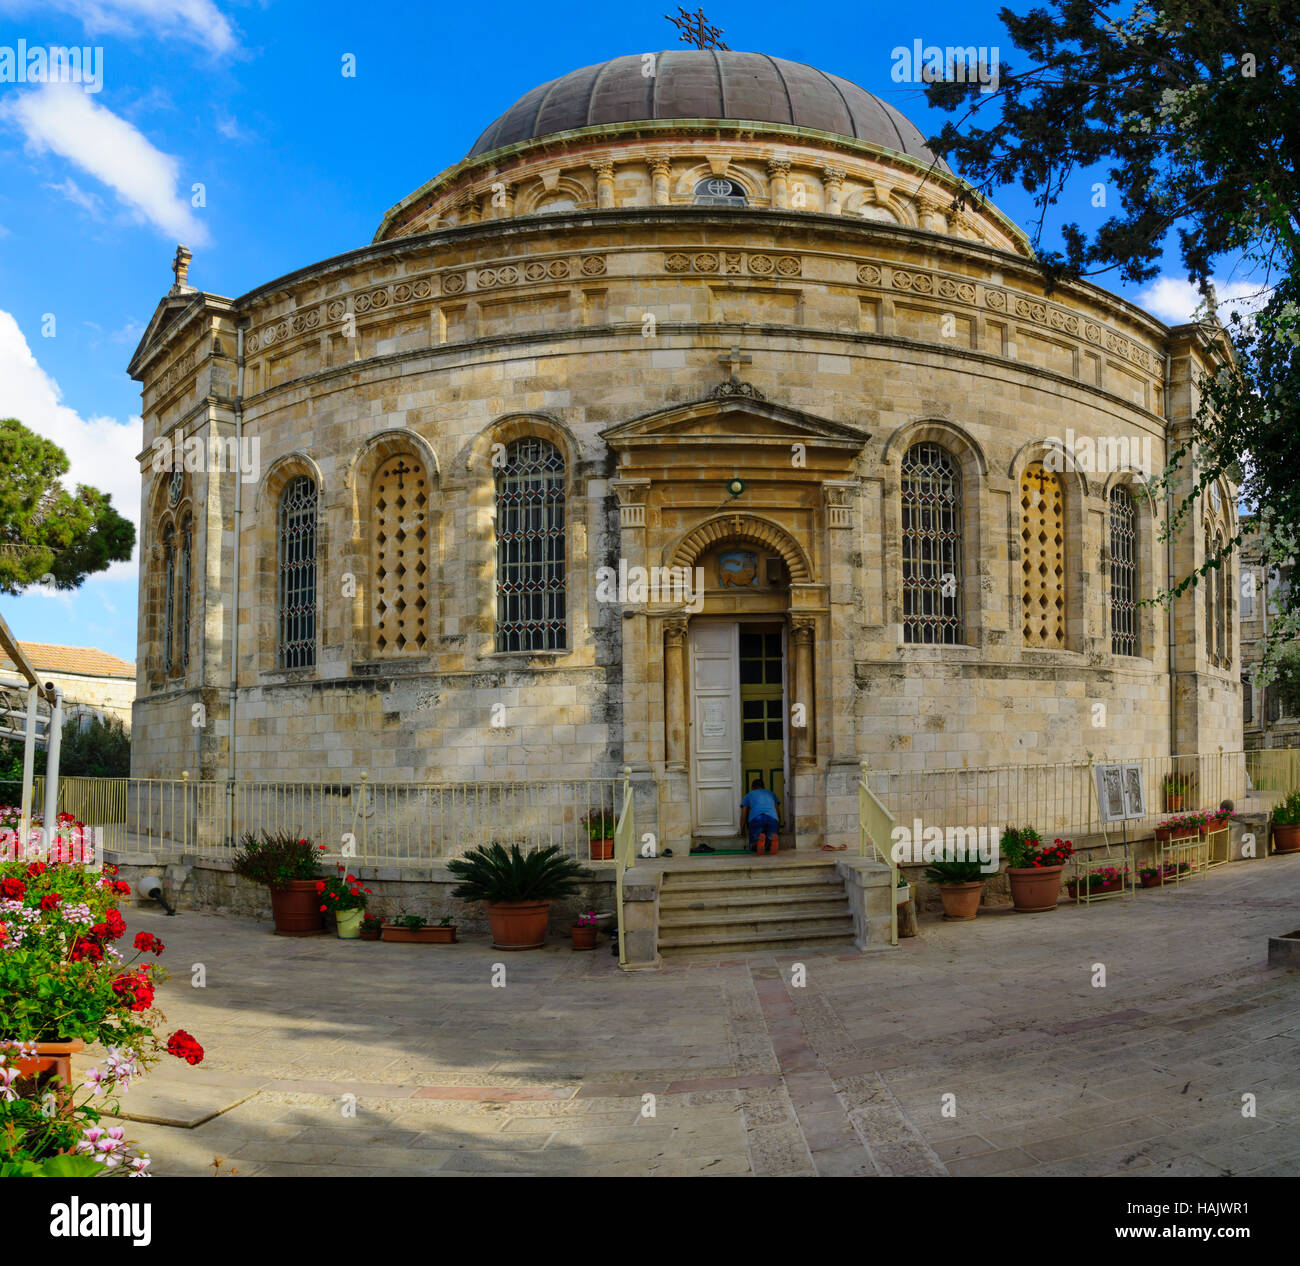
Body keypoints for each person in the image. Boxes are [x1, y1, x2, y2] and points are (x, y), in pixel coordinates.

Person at [739, 778, 780, 854]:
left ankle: (757, 843)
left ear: (752, 788)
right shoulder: (771, 793)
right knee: (770, 836)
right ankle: (771, 841)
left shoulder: (749, 795)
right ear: (763, 786)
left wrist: (742, 830)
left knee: (752, 844)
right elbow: (777, 810)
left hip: (757, 819)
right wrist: (778, 827)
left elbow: (743, 814)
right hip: (772, 819)